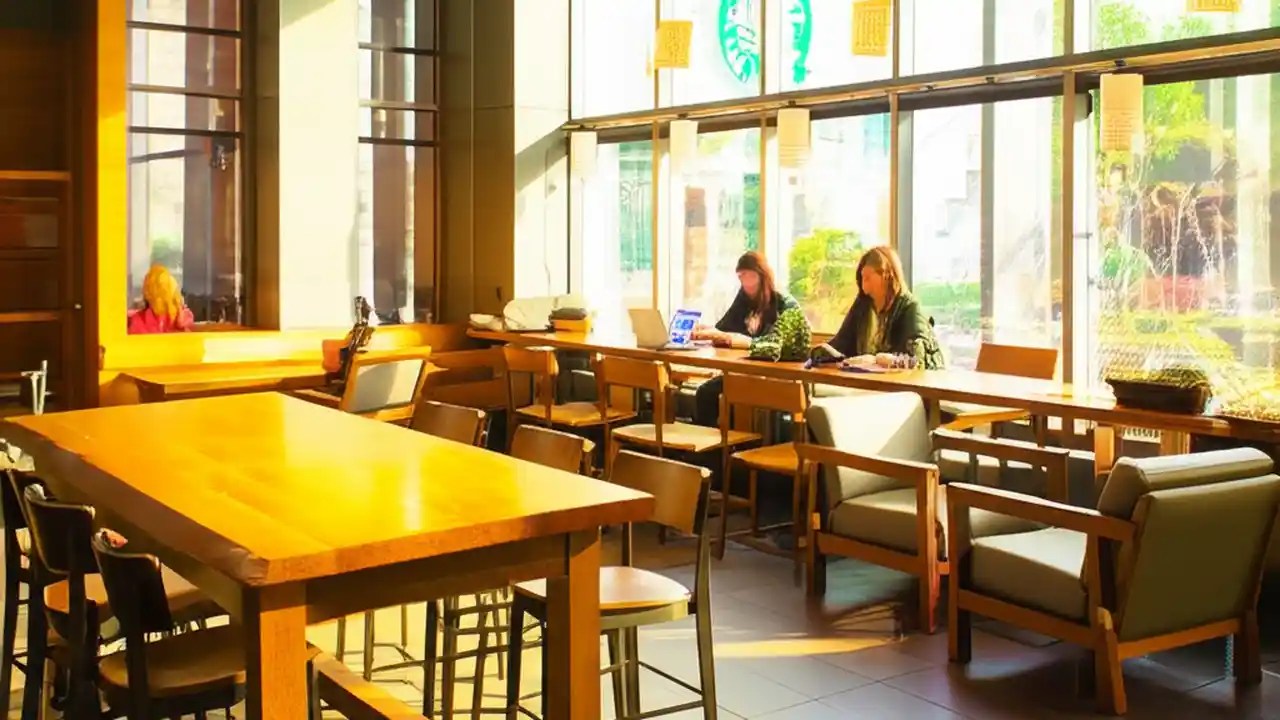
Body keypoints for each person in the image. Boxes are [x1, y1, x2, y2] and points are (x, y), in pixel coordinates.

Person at [691, 251, 810, 426]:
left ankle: (736, 446)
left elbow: (771, 347)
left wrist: (732, 339)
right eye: (740, 277)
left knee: (729, 395)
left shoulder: (786, 305)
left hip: (780, 376)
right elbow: (725, 327)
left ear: (762, 275)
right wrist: (708, 331)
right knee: (705, 393)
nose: (745, 283)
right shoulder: (744, 299)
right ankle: (712, 449)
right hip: (749, 372)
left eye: (748, 276)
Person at [827, 246, 946, 369]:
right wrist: (820, 354)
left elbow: (915, 360)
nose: (864, 288)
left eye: (868, 278)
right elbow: (840, 344)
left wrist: (879, 360)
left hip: (909, 385)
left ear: (887, 276)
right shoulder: (864, 303)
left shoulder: (910, 309)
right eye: (862, 279)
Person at [127, 264, 195, 334]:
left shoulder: (182, 316)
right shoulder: (138, 321)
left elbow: (189, 336)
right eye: (156, 289)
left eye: (164, 289)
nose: (159, 296)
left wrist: (183, 325)